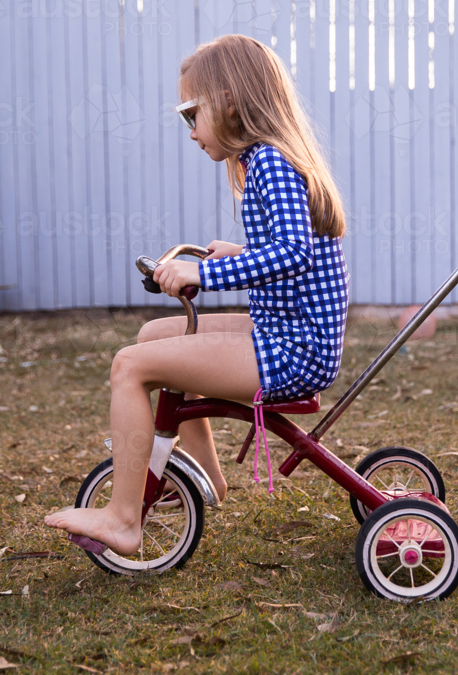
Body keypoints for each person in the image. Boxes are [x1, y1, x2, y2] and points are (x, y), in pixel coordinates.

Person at [45, 34, 349, 555]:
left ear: (231, 101)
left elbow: (294, 253)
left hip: (293, 350)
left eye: (192, 114)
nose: (189, 132)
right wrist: (234, 252)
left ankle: (123, 519)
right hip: (284, 331)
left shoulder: (271, 164)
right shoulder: (266, 160)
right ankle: (206, 477)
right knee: (152, 336)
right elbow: (292, 248)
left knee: (130, 366)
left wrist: (201, 276)